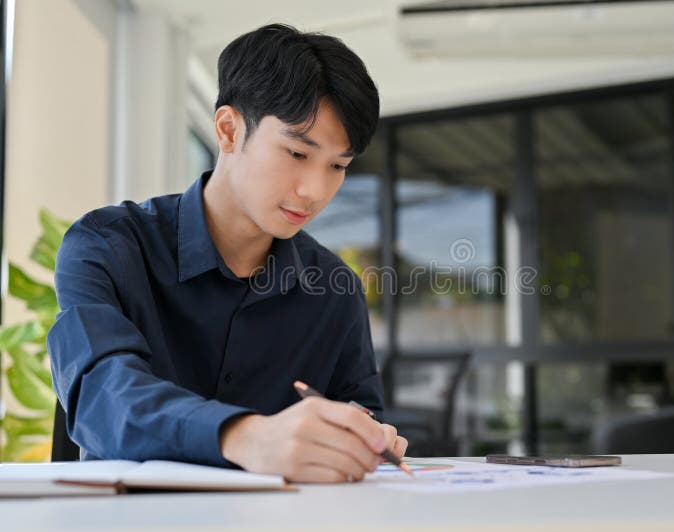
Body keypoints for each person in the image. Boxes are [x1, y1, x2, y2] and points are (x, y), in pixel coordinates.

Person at [47, 23, 407, 483]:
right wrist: (245, 436)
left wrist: (365, 437)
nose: (315, 190)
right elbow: (101, 393)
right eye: (297, 153)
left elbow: (360, 411)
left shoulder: (335, 289)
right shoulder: (106, 247)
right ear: (229, 129)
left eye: (338, 166)